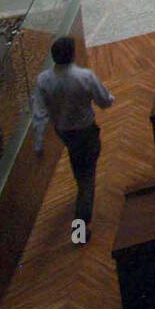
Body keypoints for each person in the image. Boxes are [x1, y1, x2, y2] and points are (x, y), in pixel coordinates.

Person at [30, 36, 114, 235]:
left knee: (78, 164)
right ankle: (80, 229)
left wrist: (39, 142)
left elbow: (39, 113)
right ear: (72, 54)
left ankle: (81, 189)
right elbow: (104, 101)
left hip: (64, 133)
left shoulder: (43, 80)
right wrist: (110, 99)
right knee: (88, 178)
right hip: (86, 131)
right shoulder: (84, 76)